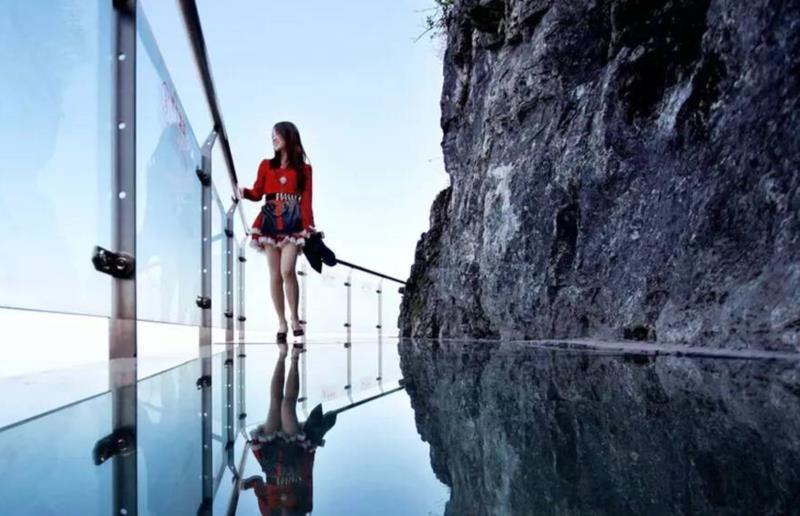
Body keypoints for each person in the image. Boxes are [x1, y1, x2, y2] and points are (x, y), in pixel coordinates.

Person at [238, 121, 316, 343]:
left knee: (287, 270)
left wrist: (309, 227)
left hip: (293, 220)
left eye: (278, 134)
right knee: (274, 275)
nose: (274, 138)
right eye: (272, 135)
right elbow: (258, 192)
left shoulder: (305, 170)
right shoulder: (266, 165)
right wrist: (244, 192)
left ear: (289, 136)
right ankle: (281, 322)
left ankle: (295, 318)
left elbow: (307, 200)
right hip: (270, 219)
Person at [243, 342, 337, 515]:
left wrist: (248, 484)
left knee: (275, 402)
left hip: (271, 458)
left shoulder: (268, 514)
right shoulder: (305, 508)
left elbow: (258, 485)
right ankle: (294, 357)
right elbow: (307, 476)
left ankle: (282, 354)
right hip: (293, 454)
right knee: (287, 406)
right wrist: (312, 442)